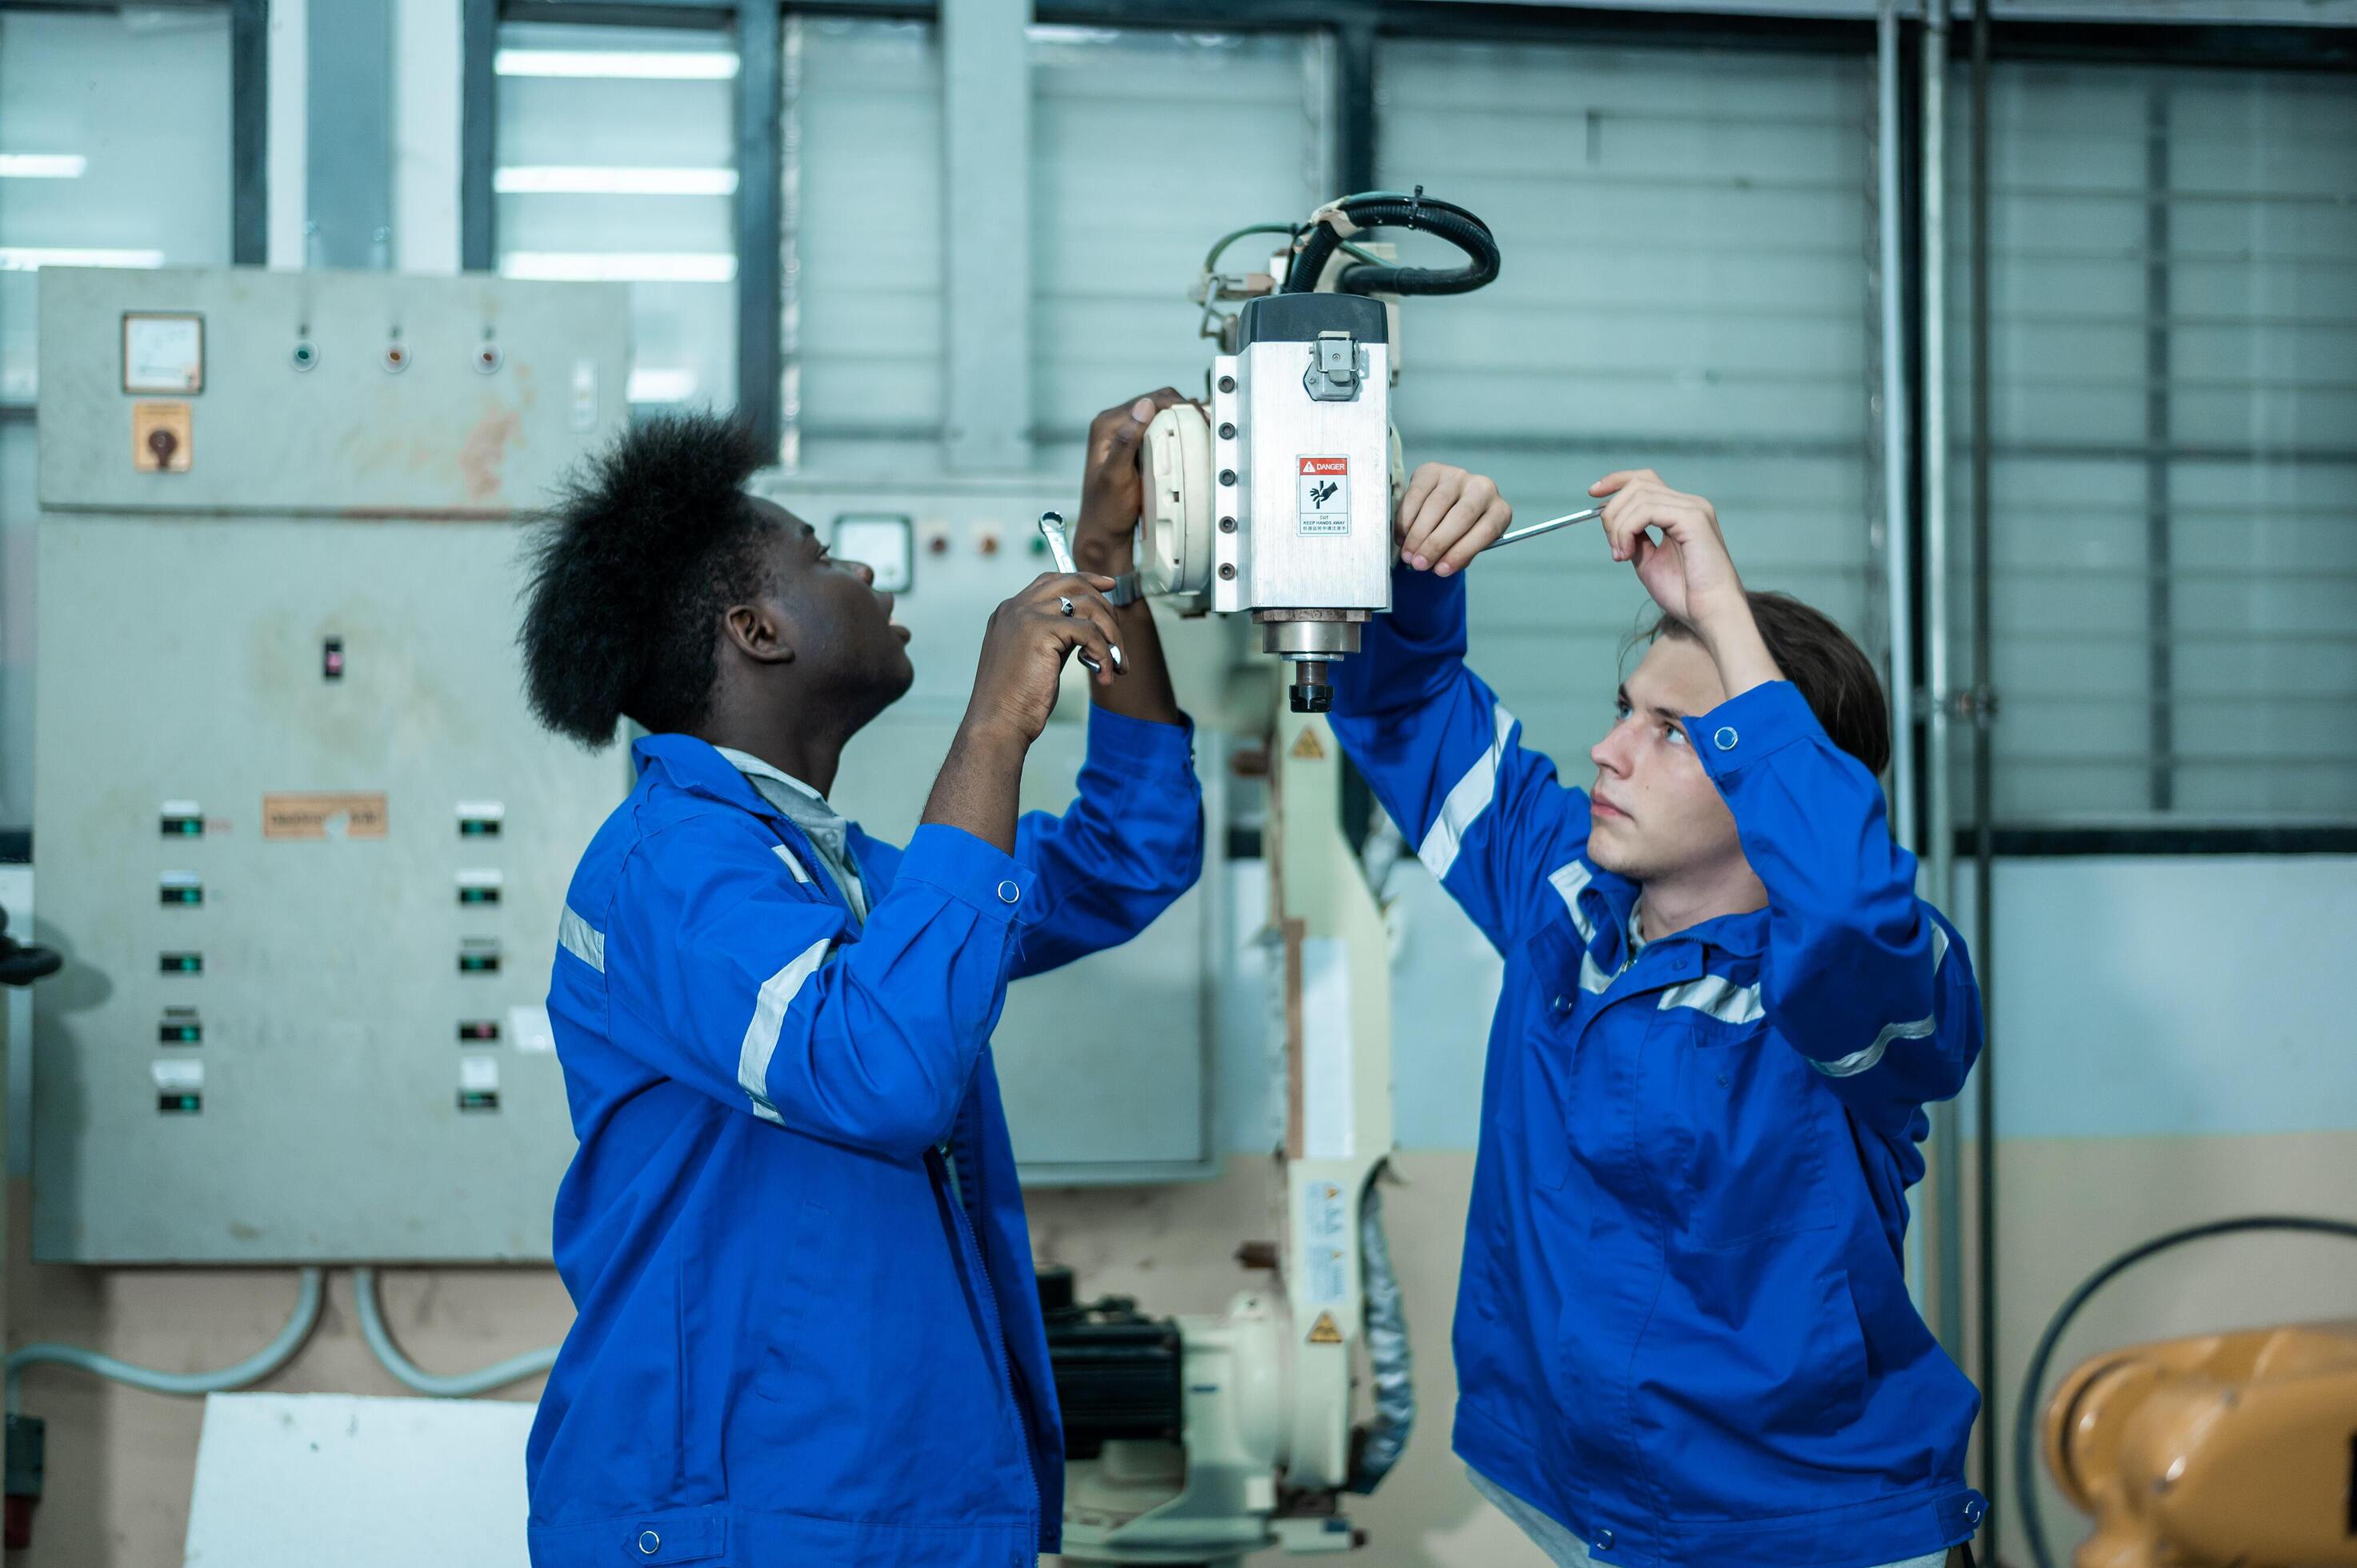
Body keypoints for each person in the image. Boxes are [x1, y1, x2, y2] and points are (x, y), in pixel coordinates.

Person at [514, 394, 1204, 1567]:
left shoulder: (832, 877)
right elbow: (880, 1072)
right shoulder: (669, 868)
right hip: (743, 1517)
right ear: (757, 630)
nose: (866, 570)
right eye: (822, 558)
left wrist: (1104, 564)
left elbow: (1124, 854)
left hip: (878, 1500)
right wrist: (992, 727)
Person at [1331, 466, 1986, 1567]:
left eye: (1675, 731)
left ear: (1771, 772)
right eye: (1623, 711)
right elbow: (1399, 708)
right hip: (1578, 1504)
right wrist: (1416, 568)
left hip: (1799, 1530)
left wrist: (1719, 606)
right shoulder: (1562, 896)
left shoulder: (1858, 989)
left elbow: (1845, 910)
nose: (1609, 749)